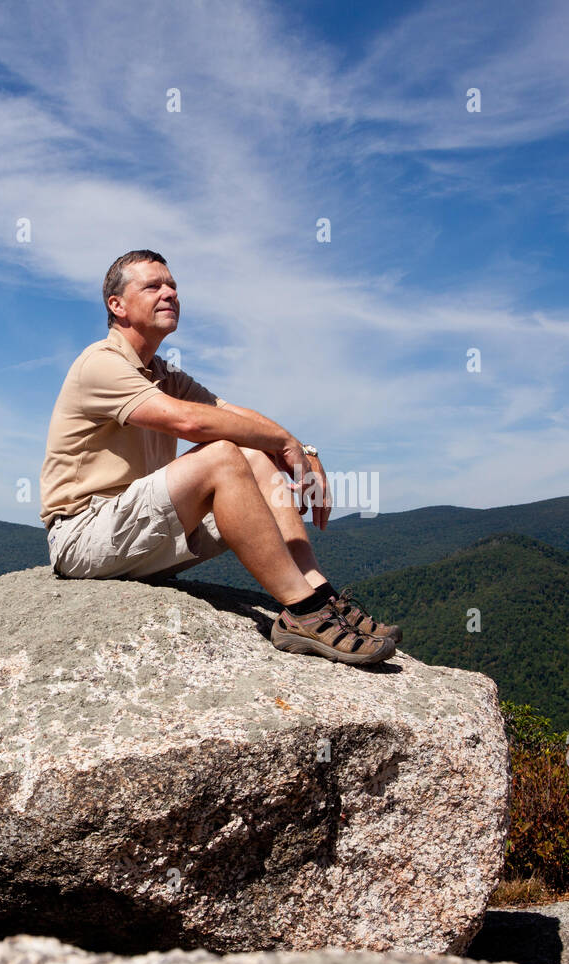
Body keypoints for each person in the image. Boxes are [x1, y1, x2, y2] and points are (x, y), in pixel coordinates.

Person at [39, 249, 400, 666]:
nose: (170, 293)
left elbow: (228, 414)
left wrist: (298, 448)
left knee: (250, 452)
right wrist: (284, 442)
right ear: (116, 306)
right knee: (223, 456)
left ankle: (318, 595)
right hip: (83, 538)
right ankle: (301, 613)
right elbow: (192, 424)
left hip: (133, 538)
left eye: (172, 285)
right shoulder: (99, 364)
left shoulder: (162, 373)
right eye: (153, 286)